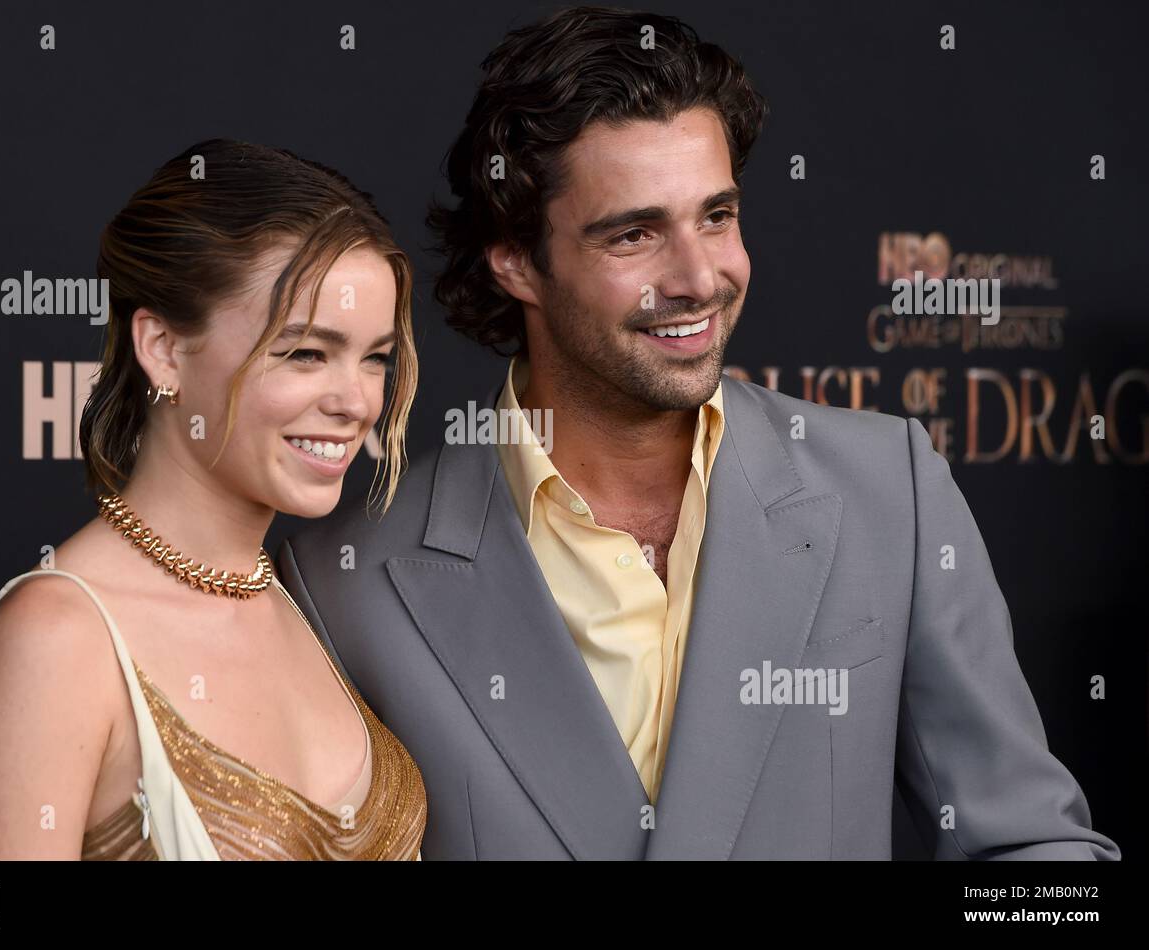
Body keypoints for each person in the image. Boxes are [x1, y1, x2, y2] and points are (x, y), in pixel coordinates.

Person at [279, 7, 1119, 859]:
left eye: (716, 216)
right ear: (517, 262)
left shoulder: (887, 491)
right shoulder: (346, 583)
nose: (699, 278)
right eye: (635, 234)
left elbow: (1036, 861)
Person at [0, 139, 426, 860]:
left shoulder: (314, 600)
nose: (355, 401)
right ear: (164, 349)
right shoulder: (57, 638)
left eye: (375, 358)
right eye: (304, 352)